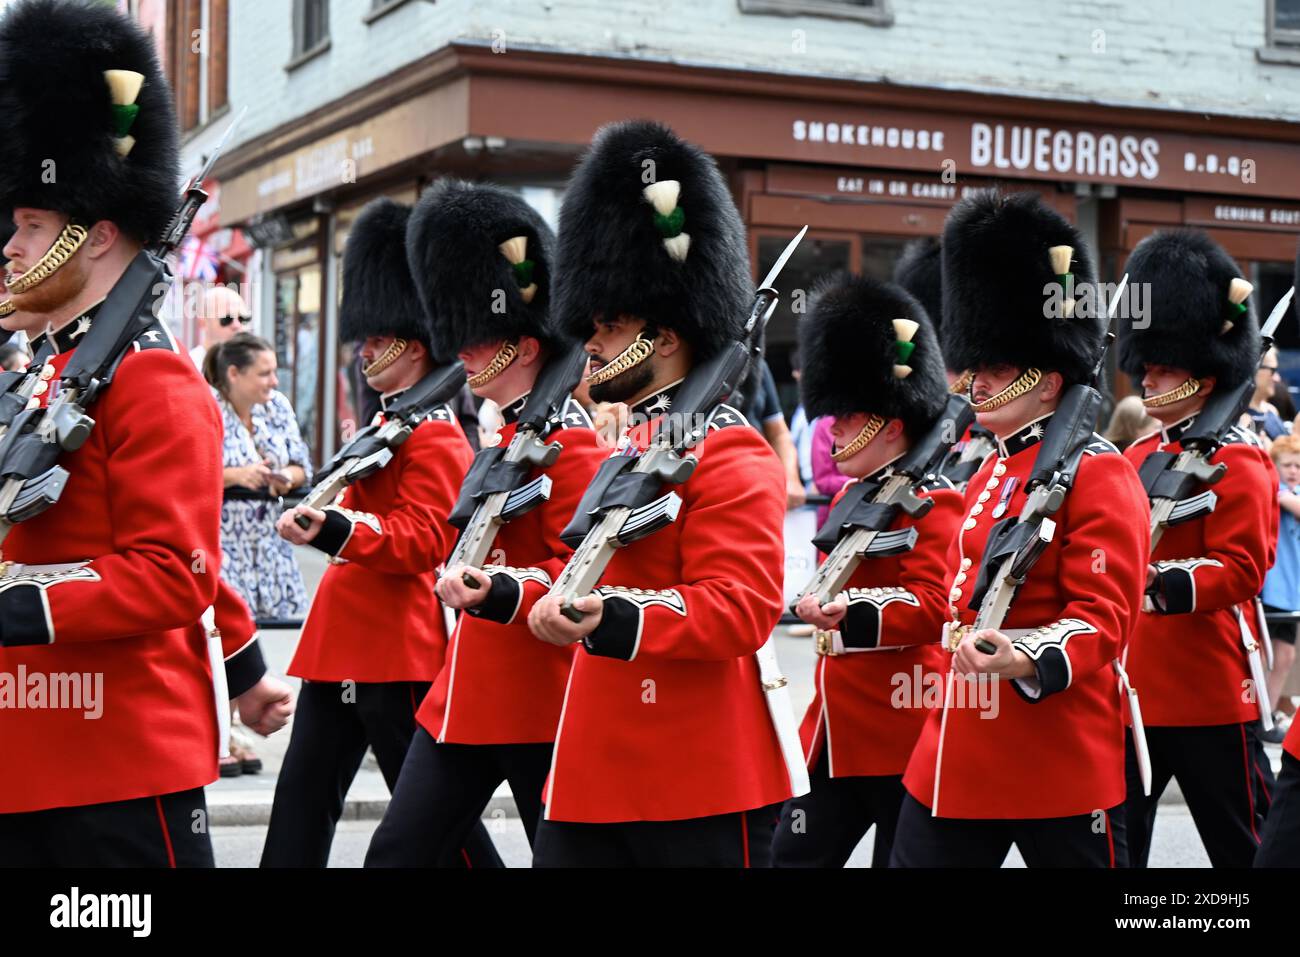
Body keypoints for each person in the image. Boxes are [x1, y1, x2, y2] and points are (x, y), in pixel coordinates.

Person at [0, 0, 289, 866]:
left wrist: (23, 606)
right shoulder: (55, 374)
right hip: (32, 753)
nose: (9, 247)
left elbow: (172, 570)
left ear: (97, 236)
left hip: (115, 770)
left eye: (30, 226)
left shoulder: (155, 380)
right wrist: (242, 670)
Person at [525, 120, 801, 867]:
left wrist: (607, 614)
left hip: (695, 780)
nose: (593, 343)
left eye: (611, 324)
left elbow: (739, 606)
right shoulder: (640, 442)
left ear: (666, 334)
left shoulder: (733, 448)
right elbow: (591, 573)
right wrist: (520, 595)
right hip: (590, 767)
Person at [892, 190, 1150, 868]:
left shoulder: (1099, 471)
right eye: (976, 364)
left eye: (997, 369)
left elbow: (1103, 616)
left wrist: (1023, 654)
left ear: (1046, 380)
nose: (975, 381)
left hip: (1053, 758)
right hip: (953, 752)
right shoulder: (988, 472)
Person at [365, 178, 606, 866]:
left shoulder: (575, 444)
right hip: (463, 700)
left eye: (476, 338)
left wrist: (499, 591)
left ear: (524, 347)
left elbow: (577, 571)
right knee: (397, 854)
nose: (460, 351)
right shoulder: (500, 438)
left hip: (539, 702)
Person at [262, 197, 499, 868]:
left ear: (413, 343)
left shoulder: (436, 434)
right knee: (301, 802)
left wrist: (333, 527)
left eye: (376, 338)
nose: (364, 348)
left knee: (435, 821)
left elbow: (422, 540)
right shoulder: (384, 425)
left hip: (395, 652)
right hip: (340, 643)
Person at [772, 273, 962, 867]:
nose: (836, 429)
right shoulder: (852, 496)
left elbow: (934, 607)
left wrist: (848, 616)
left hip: (899, 732)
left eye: (851, 418)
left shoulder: (937, 500)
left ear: (892, 422)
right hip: (832, 731)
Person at [1118, 229, 1277, 868]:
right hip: (1131, 689)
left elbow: (1242, 569)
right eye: (1148, 367)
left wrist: (1157, 584)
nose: (1149, 380)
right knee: (1121, 850)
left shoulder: (1240, 460)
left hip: (1211, 690)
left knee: (1244, 850)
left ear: (1203, 375)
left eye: (1164, 370)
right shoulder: (1131, 457)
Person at [205, 333, 310, 621]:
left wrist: (286, 476)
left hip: (271, 549)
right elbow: (181, 475)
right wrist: (235, 476)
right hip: (222, 548)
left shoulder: (276, 405)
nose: (274, 381)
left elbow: (303, 466)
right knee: (232, 639)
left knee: (283, 636)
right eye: (265, 374)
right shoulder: (205, 407)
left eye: (275, 372)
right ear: (234, 374)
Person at [1262, 433, 1300, 742]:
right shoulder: (1274, 492)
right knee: (1266, 655)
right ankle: (1261, 715)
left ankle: (1269, 713)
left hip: (1291, 591)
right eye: (1287, 464)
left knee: (1285, 654)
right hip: (1273, 588)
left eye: (1299, 466)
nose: (1293, 471)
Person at [190, 283, 250, 369]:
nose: (237, 325)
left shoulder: (251, 365)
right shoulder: (190, 366)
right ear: (203, 322)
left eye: (241, 319)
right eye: (227, 319)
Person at [1245, 346, 1289, 450]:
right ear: (1254, 369)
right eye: (1273, 371)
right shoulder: (1238, 418)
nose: (1277, 378)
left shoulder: (1271, 410)